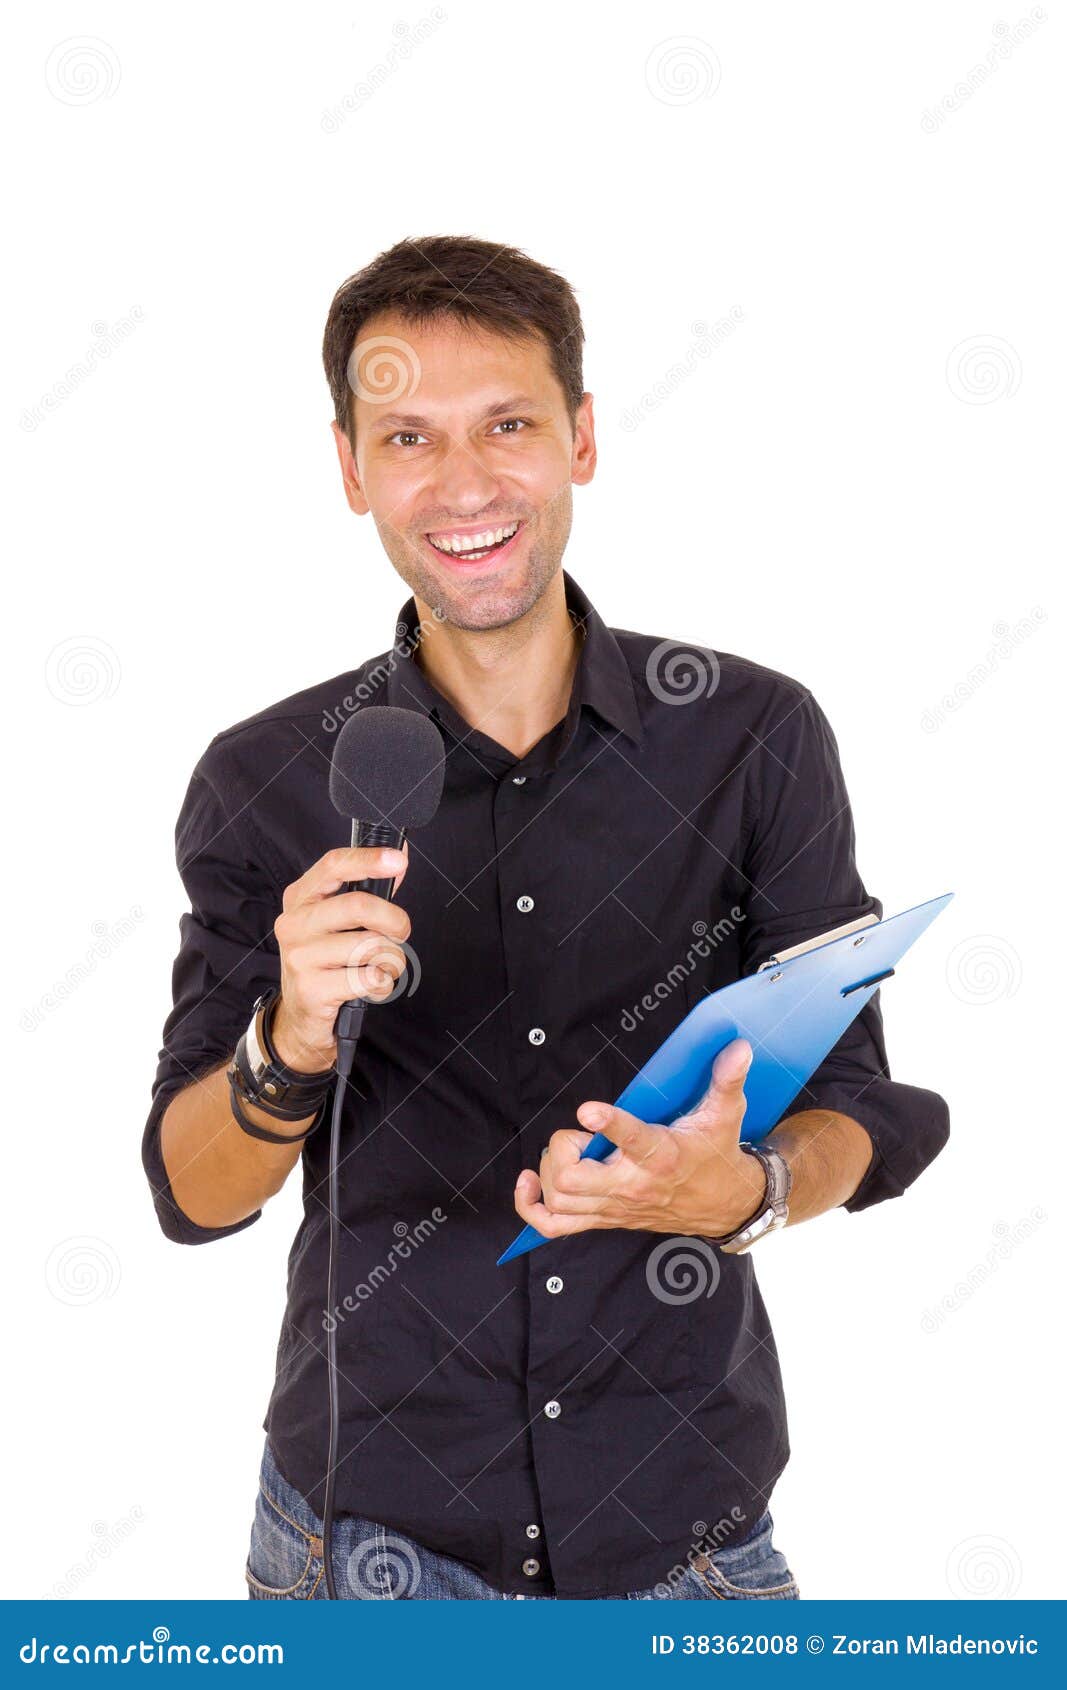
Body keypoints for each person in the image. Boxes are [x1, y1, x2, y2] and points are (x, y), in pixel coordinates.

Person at [143, 236, 949, 1601]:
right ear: (351, 470)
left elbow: (863, 1106)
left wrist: (745, 1189)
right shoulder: (267, 777)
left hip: (686, 1540)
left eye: (507, 424)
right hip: (368, 1553)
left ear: (579, 437)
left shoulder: (749, 737)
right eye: (409, 436)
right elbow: (191, 1190)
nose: (463, 485)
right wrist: (288, 1038)